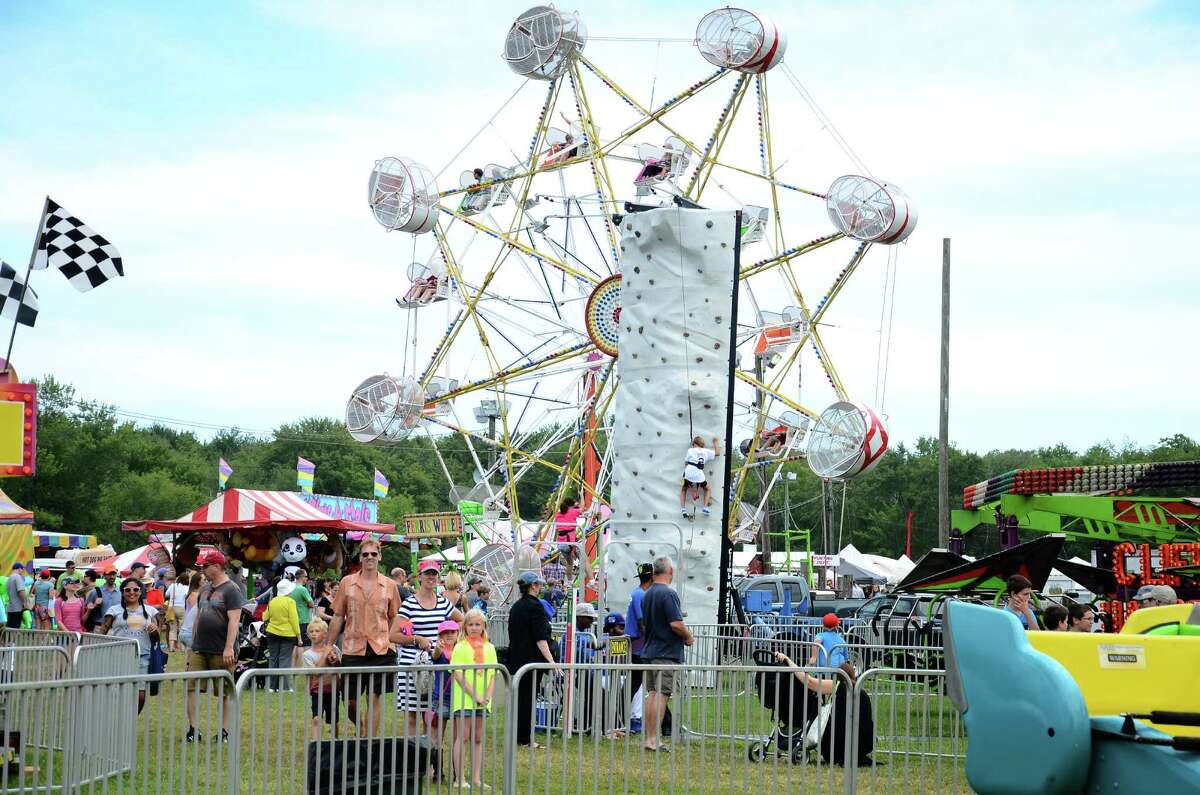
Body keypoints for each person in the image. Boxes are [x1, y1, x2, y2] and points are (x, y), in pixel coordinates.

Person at [329, 539, 404, 737]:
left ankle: (369, 742)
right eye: (365, 554)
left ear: (379, 556)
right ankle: (361, 725)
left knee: (374, 697)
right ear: (360, 557)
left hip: (381, 648)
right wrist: (328, 645)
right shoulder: (347, 582)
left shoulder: (389, 585)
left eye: (373, 554)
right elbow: (337, 616)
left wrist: (391, 642)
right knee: (350, 700)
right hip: (353, 647)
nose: (369, 557)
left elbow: (394, 616)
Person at [395, 558, 462, 736]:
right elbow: (393, 635)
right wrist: (416, 639)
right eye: (427, 573)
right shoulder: (409, 604)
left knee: (431, 717)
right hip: (412, 667)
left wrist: (454, 641)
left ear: (439, 578)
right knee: (412, 717)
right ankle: (410, 760)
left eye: (434, 573)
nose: (431, 577)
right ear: (419, 576)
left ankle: (427, 762)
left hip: (436, 666)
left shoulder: (443, 603)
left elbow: (462, 620)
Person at [773, 656, 874, 766]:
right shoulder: (861, 691)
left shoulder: (839, 685)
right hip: (863, 743)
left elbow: (809, 681)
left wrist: (788, 661)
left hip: (843, 743)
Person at [185, 549, 242, 743]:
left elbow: (234, 620)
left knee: (224, 692)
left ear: (217, 566)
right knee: (190, 687)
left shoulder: (232, 589)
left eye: (205, 566)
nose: (203, 570)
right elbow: (198, 617)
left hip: (221, 649)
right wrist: (192, 645)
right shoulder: (204, 589)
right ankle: (193, 729)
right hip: (199, 647)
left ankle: (224, 732)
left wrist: (229, 647)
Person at [641, 555, 693, 752]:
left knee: (652, 693)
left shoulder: (647, 594)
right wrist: (688, 636)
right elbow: (676, 624)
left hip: (650, 651)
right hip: (666, 653)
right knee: (662, 694)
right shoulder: (668, 594)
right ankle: (653, 739)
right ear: (670, 572)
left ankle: (650, 738)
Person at [506, 570, 557, 748]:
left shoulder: (516, 607)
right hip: (531, 661)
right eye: (538, 584)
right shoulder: (536, 607)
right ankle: (525, 738)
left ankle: (520, 736)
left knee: (522, 699)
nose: (541, 587)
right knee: (528, 700)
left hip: (517, 660)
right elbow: (541, 639)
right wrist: (552, 662)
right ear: (533, 586)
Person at [451, 609, 497, 790]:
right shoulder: (460, 646)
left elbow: (493, 673)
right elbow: (457, 674)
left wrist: (487, 695)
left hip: (483, 701)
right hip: (464, 699)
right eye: (470, 624)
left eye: (477, 624)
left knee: (478, 738)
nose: (474, 628)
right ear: (465, 627)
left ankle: (476, 777)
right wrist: (475, 695)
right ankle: (460, 778)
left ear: (483, 626)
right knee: (463, 736)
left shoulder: (490, 648)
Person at [100, 577, 160, 713]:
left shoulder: (150, 611)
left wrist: (155, 629)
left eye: (135, 589)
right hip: (118, 656)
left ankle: (132, 720)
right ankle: (118, 719)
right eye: (127, 590)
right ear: (122, 592)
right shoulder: (113, 610)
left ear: (140, 592)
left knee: (140, 695)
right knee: (118, 692)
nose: (131, 592)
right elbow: (103, 630)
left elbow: (157, 634)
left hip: (143, 656)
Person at [426, 620, 459, 784]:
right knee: (437, 736)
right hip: (441, 697)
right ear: (440, 635)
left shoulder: (462, 649)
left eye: (453, 632)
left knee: (457, 737)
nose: (450, 635)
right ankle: (437, 773)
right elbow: (435, 655)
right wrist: (438, 648)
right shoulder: (438, 650)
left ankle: (456, 773)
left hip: (459, 696)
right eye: (446, 633)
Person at [302, 618, 342, 740]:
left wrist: (335, 660)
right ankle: (316, 744)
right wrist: (325, 656)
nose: (314, 634)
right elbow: (315, 672)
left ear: (325, 634)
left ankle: (335, 741)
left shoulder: (333, 648)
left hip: (333, 690)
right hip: (317, 691)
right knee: (316, 718)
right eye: (311, 631)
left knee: (333, 719)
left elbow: (340, 667)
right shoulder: (307, 655)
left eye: (317, 631)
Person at [263, 578, 301, 692]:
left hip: (272, 632)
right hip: (288, 634)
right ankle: (283, 687)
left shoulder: (273, 601)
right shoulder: (290, 602)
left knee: (273, 658)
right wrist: (299, 636)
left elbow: (265, 617)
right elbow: (294, 620)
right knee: (284, 659)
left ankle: (271, 686)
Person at [626, 562, 653, 714]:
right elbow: (643, 624)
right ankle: (667, 723)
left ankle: (618, 715)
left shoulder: (637, 593)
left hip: (639, 647)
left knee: (637, 684)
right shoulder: (640, 595)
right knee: (651, 685)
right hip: (640, 648)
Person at [680, 435, 721, 516]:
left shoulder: (690, 450)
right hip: (699, 475)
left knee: (684, 490)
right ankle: (705, 507)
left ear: (694, 443)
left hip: (689, 472)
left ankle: (683, 509)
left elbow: (686, 463)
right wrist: (715, 442)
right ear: (702, 444)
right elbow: (717, 453)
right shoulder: (706, 451)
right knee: (707, 489)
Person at [289, 568, 315, 651]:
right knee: (305, 647)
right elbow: (312, 604)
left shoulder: (290, 588)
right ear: (302, 577)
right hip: (303, 620)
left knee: (295, 647)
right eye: (306, 576)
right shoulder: (302, 589)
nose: (307, 578)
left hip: (293, 620)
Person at [164, 571, 190, 652]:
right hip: (182, 608)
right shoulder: (186, 587)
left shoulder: (173, 586)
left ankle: (171, 647)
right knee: (182, 628)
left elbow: (166, 595)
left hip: (171, 608)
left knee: (172, 629)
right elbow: (187, 597)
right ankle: (181, 647)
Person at [5, 563, 27, 630]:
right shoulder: (18, 577)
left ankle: (8, 640)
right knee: (15, 628)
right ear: (19, 568)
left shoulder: (9, 578)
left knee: (10, 628)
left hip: (10, 607)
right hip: (17, 607)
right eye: (22, 569)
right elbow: (21, 591)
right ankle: (13, 640)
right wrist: (25, 602)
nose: (22, 571)